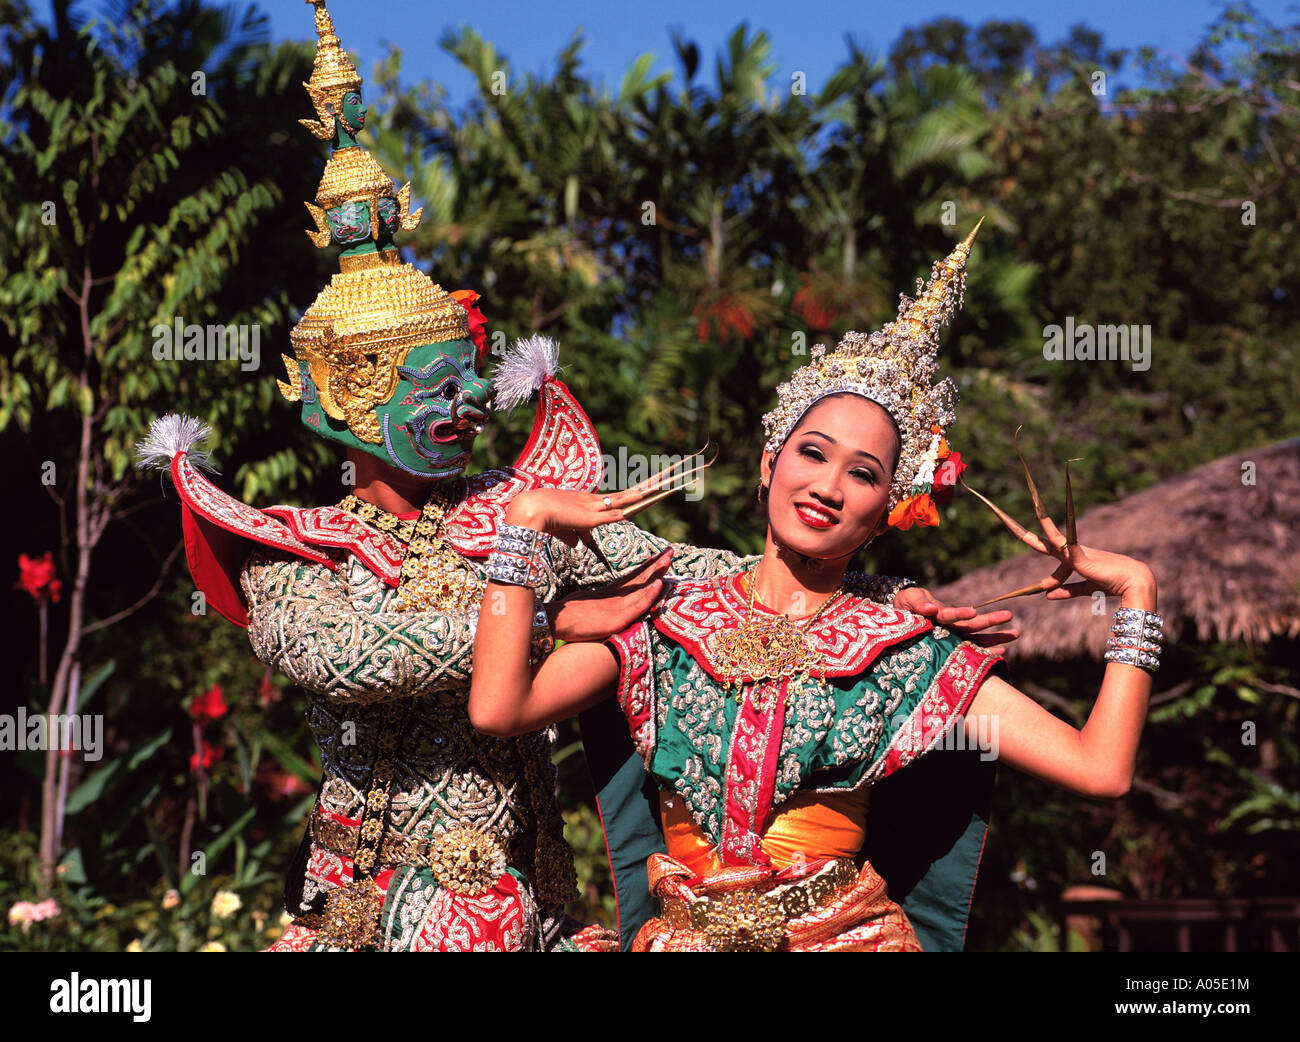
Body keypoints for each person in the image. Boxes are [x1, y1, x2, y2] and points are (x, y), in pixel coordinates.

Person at [133, 0, 1009, 951]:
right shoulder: (296, 560)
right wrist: (550, 616)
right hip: (377, 914)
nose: (472, 404)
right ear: (347, 391)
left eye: (476, 379)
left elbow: (709, 580)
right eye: (440, 383)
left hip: (534, 906)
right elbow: (359, 657)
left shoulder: (524, 512)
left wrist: (879, 603)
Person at [468, 223, 1161, 951]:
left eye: (863, 474)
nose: (828, 486)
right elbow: (498, 705)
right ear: (771, 462)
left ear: (887, 511)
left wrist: (1137, 593)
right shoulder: (665, 622)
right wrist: (525, 519)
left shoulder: (903, 651)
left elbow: (1100, 768)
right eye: (813, 453)